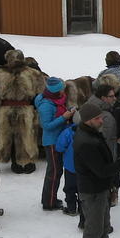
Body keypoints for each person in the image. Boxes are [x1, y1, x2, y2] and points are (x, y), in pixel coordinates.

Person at [74, 99, 120, 238]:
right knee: (93, 227)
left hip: (99, 188)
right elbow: (101, 170)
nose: (102, 121)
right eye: (98, 118)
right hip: (92, 190)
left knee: (103, 223)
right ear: (88, 120)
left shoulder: (91, 132)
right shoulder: (86, 141)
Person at [0, 49, 45, 174]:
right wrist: (39, 110)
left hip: (5, 110)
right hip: (26, 109)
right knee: (28, 135)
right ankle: (28, 163)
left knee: (10, 136)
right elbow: (42, 94)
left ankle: (15, 163)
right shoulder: (34, 74)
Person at [35, 76, 73, 211]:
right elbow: (46, 126)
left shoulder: (55, 100)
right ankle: (49, 202)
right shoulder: (46, 105)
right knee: (55, 172)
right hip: (52, 142)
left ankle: (48, 198)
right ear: (56, 91)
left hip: (57, 140)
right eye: (62, 89)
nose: (64, 91)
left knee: (55, 171)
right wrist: (64, 117)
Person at [54, 119, 80, 218]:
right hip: (84, 169)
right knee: (82, 189)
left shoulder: (68, 132)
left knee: (70, 189)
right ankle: (83, 209)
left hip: (70, 167)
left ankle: (71, 208)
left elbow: (59, 147)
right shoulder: (90, 132)